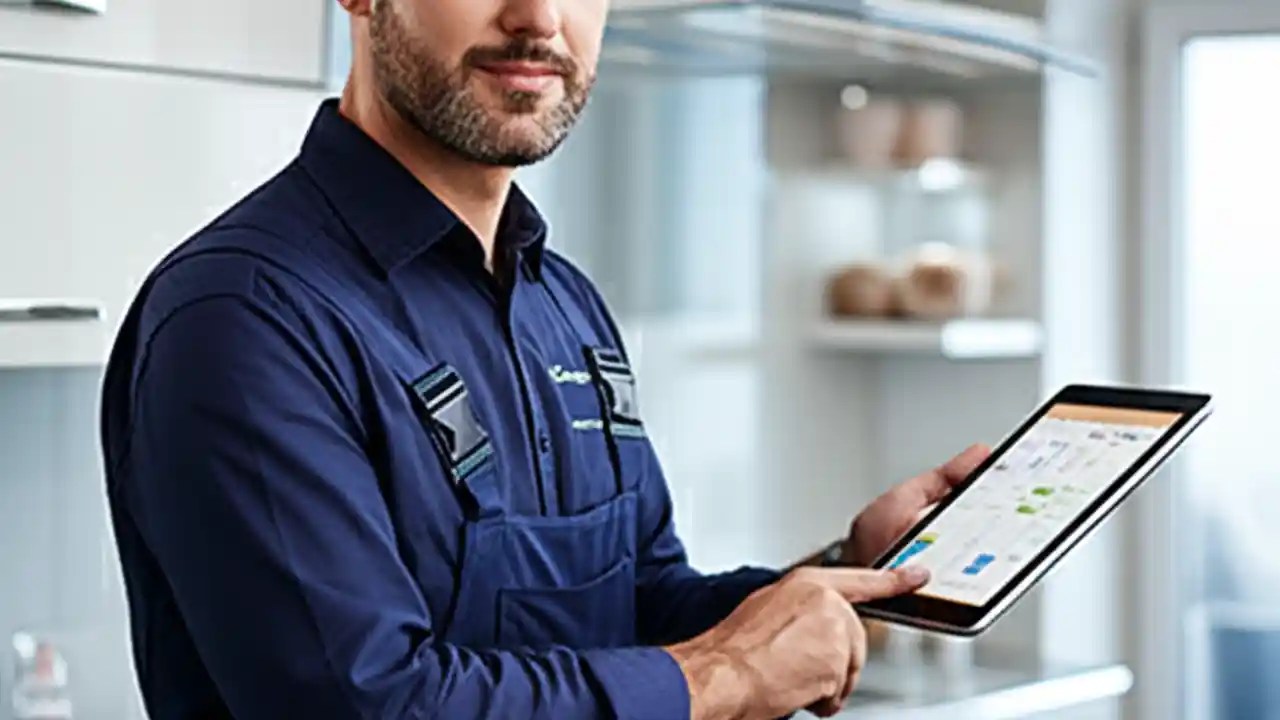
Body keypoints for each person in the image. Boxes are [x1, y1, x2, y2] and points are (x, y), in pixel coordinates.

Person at [99, 0, 990, 718]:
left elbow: (637, 602)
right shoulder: (245, 319)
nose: (538, 17)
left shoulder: (561, 302)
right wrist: (727, 678)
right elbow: (368, 705)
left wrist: (844, 580)